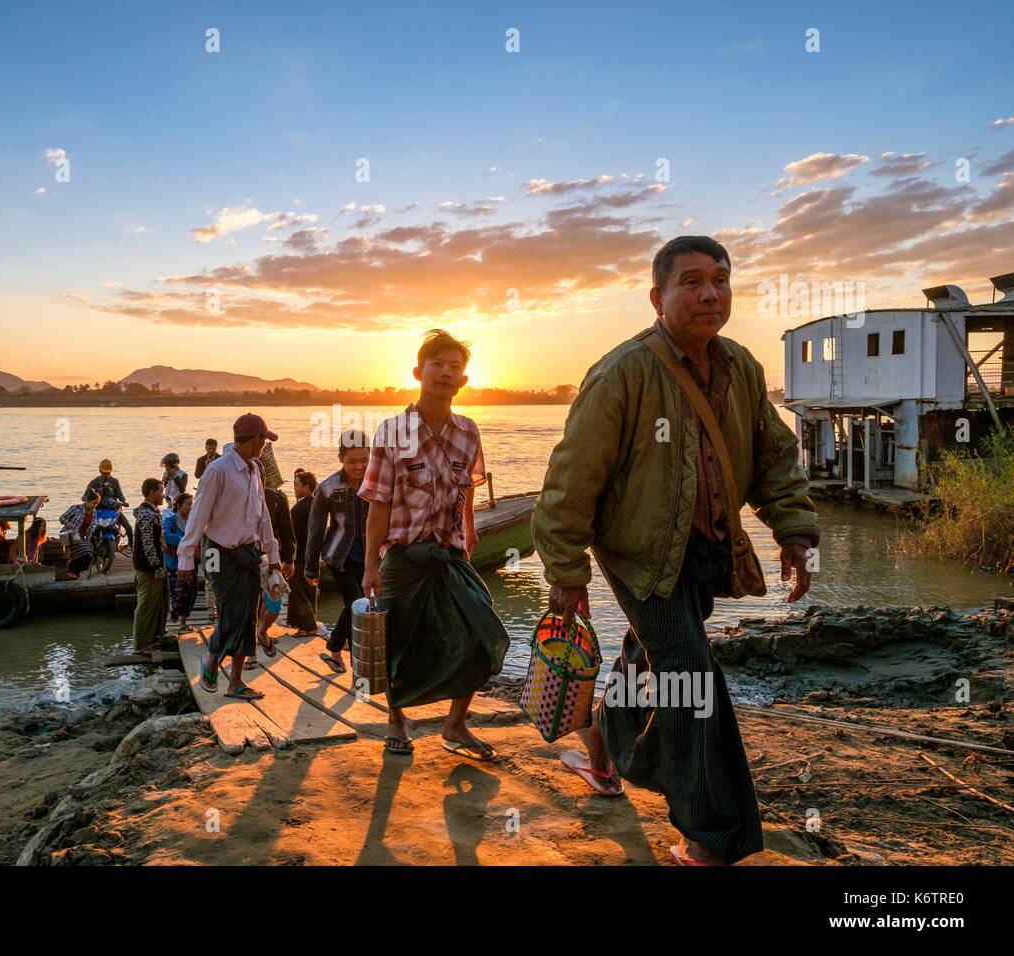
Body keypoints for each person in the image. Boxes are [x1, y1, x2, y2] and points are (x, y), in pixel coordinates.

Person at [533, 235, 820, 866]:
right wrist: (565, 570)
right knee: (692, 677)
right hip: (638, 554)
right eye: (691, 281)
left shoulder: (741, 367)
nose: (710, 293)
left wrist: (794, 533)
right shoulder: (622, 372)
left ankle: (603, 754)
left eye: (720, 279)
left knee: (649, 660)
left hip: (707, 552)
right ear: (657, 296)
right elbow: (571, 479)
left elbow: (773, 456)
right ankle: (709, 834)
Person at [359, 330, 510, 760]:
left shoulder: (468, 431)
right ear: (418, 373)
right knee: (397, 641)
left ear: (464, 380)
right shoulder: (394, 431)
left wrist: (471, 530)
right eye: (437, 364)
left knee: (482, 633)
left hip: (450, 554)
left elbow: (469, 489)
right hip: (405, 557)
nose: (446, 372)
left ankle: (455, 723)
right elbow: (379, 502)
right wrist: (371, 564)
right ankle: (397, 722)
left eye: (455, 367)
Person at [178, 414, 283, 700]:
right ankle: (212, 662)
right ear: (256, 439)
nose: (264, 446)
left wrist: (272, 554)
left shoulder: (255, 470)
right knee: (231, 610)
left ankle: (235, 681)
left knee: (248, 613)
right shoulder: (218, 470)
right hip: (216, 551)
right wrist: (186, 559)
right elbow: (198, 515)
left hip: (248, 551)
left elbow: (262, 516)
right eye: (264, 440)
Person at [304, 432, 371, 672]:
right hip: (338, 556)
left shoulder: (377, 483)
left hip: (370, 555)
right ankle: (358, 665)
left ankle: (334, 649)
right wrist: (310, 567)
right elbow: (315, 529)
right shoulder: (328, 488)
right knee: (357, 604)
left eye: (364, 459)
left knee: (357, 604)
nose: (359, 466)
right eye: (352, 461)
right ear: (340, 458)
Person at [257, 467, 297, 647]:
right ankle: (251, 650)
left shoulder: (277, 498)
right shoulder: (234, 497)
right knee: (251, 604)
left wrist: (289, 560)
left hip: (271, 558)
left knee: (274, 600)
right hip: (242, 558)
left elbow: (288, 533)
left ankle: (261, 629)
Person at [130, 478, 168, 656]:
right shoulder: (146, 514)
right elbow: (147, 545)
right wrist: (157, 567)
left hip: (153, 566)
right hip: (148, 568)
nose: (163, 495)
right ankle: (141, 644)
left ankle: (153, 638)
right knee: (146, 606)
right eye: (161, 491)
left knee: (157, 604)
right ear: (152, 493)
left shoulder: (152, 512)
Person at [285, 470, 320, 636]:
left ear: (307, 487)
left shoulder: (299, 508)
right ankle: (309, 622)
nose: (295, 488)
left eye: (297, 485)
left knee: (297, 589)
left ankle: (307, 625)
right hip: (313, 555)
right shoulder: (317, 504)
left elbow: (291, 535)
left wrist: (286, 557)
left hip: (300, 556)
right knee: (309, 589)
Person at [164, 492, 199, 631]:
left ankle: (183, 621)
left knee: (191, 592)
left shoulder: (194, 521)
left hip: (191, 561)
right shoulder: (170, 520)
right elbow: (167, 536)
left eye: (192, 504)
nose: (191, 507)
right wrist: (185, 541)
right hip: (174, 562)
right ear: (179, 505)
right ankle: (174, 616)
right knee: (176, 592)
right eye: (188, 504)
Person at [58, 489, 100, 580]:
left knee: (90, 553)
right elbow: (62, 518)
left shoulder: (95, 513)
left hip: (80, 538)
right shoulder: (76, 508)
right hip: (69, 536)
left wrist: (88, 541)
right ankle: (71, 572)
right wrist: (68, 524)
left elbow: (90, 530)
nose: (95, 506)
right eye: (93, 503)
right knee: (84, 552)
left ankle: (74, 572)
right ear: (87, 501)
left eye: (97, 503)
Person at [85, 458, 132, 541]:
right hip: (98, 511)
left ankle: (132, 546)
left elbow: (120, 496)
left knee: (128, 527)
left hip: (113, 510)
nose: (106, 475)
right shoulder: (94, 483)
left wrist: (124, 502)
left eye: (108, 473)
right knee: (88, 529)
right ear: (100, 471)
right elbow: (84, 497)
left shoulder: (115, 482)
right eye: (104, 473)